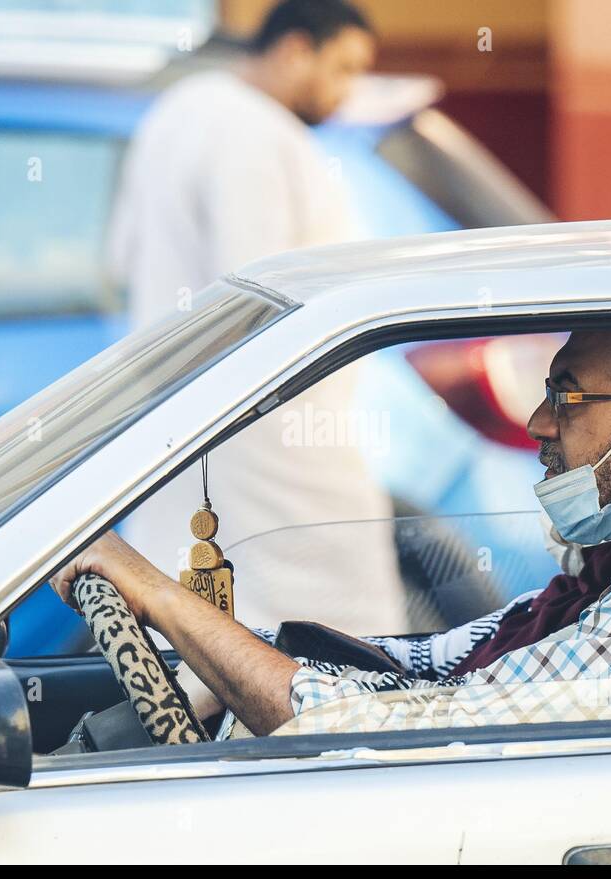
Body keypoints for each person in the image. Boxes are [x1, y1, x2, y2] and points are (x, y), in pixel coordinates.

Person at [53, 325, 611, 736]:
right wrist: (227, 655)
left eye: (564, 397)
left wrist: (166, 599)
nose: (538, 424)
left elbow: (433, 729)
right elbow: (434, 663)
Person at [108, 0, 408, 638]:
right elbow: (266, 294)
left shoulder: (178, 110)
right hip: (271, 433)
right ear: (296, 48)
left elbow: (119, 258)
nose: (346, 92)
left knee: (194, 633)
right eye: (343, 68)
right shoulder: (252, 133)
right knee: (327, 645)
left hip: (187, 419)